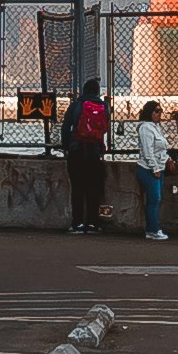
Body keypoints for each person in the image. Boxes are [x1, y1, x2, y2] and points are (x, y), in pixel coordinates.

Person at [61, 70, 112, 234]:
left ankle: (77, 224)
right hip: (95, 152)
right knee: (94, 188)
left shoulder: (76, 105)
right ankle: (93, 224)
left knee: (77, 188)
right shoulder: (103, 107)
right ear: (97, 92)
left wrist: (66, 146)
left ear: (84, 90)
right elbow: (105, 128)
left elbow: (65, 127)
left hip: (76, 151)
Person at [133, 98, 172, 241]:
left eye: (160, 111)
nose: (159, 113)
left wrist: (166, 159)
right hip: (148, 169)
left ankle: (153, 228)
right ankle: (152, 230)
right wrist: (155, 168)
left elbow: (160, 148)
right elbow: (147, 151)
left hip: (158, 168)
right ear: (149, 112)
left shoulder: (156, 127)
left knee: (155, 199)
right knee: (153, 200)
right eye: (156, 111)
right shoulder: (146, 128)